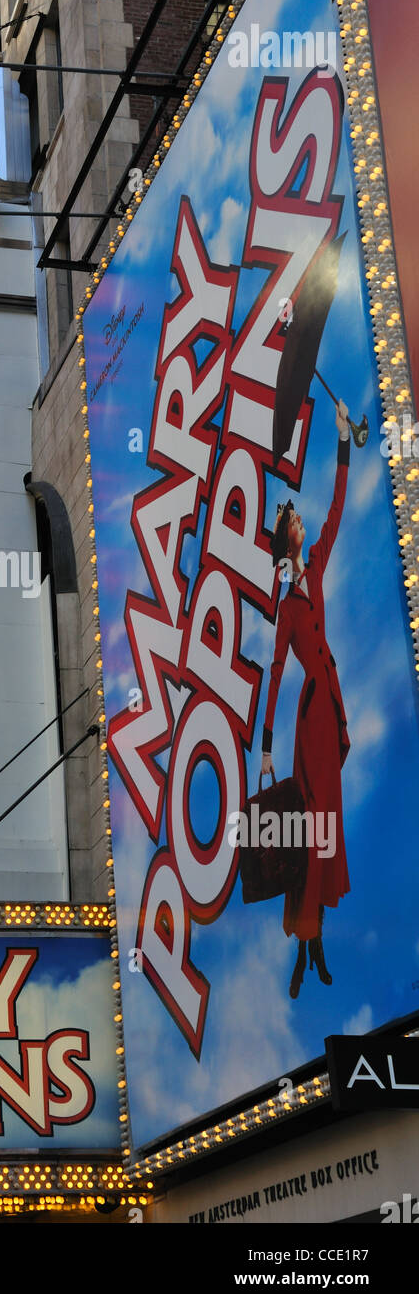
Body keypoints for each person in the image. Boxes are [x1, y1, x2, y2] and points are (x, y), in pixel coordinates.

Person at [261, 398, 351, 998]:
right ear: (283, 540)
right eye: (292, 522)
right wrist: (266, 747)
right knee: (309, 828)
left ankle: (313, 941)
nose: (300, 524)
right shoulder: (287, 604)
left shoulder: (313, 570)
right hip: (309, 713)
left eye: (297, 519)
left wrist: (343, 443)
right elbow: (274, 671)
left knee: (326, 825)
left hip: (330, 705)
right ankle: (304, 942)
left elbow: (338, 514)